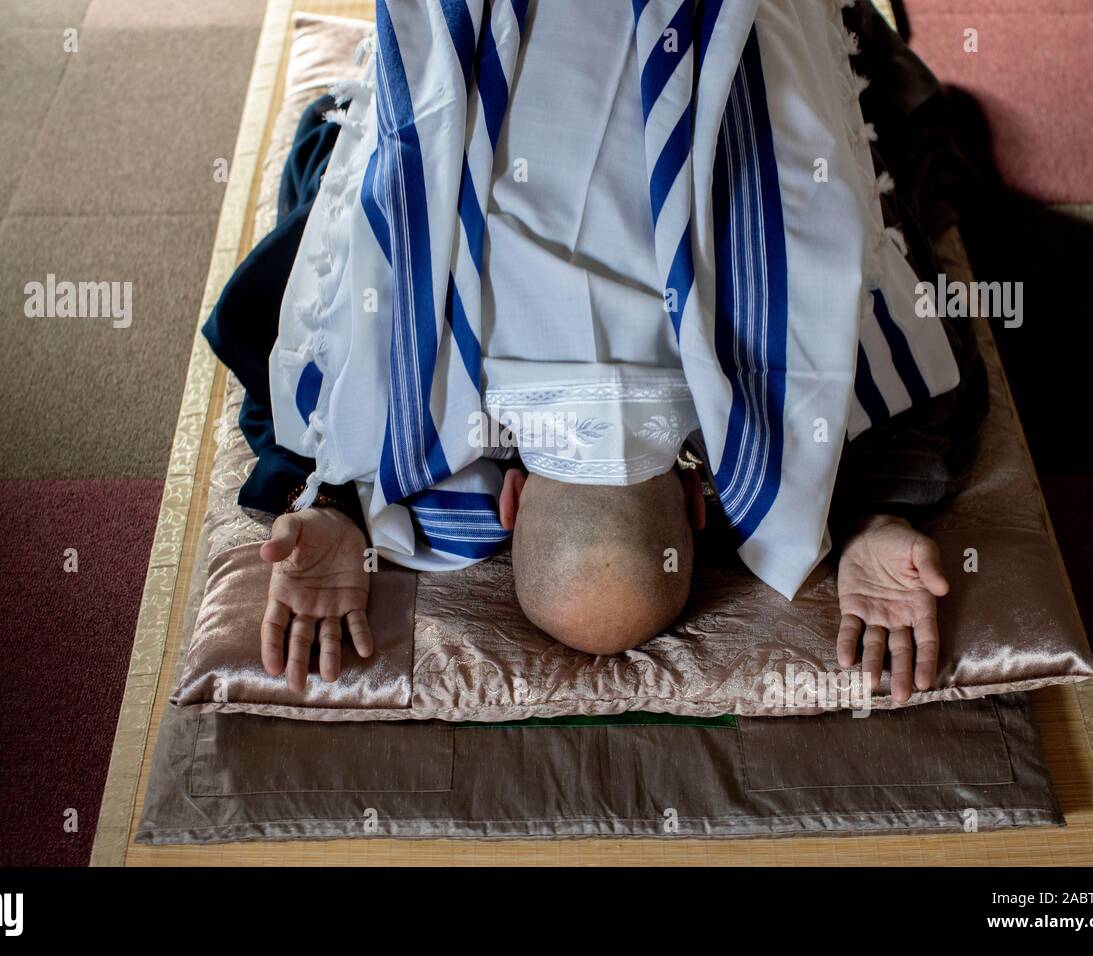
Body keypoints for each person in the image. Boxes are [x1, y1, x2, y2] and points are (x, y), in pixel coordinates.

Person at [207, 0, 987, 702]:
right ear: (509, 500)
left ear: (693, 499)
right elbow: (326, 284)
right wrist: (335, 496)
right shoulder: (408, 378)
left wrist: (877, 515)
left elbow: (912, 342)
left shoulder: (788, 372)